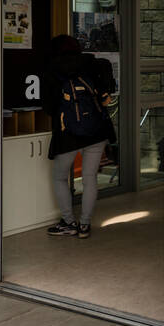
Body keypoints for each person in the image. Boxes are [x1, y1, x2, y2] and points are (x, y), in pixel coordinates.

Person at [41, 34, 116, 239]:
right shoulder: (92, 63)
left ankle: (68, 222)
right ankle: (84, 225)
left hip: (68, 134)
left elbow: (48, 107)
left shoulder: (51, 71)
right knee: (90, 178)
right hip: (97, 131)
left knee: (59, 177)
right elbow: (107, 92)